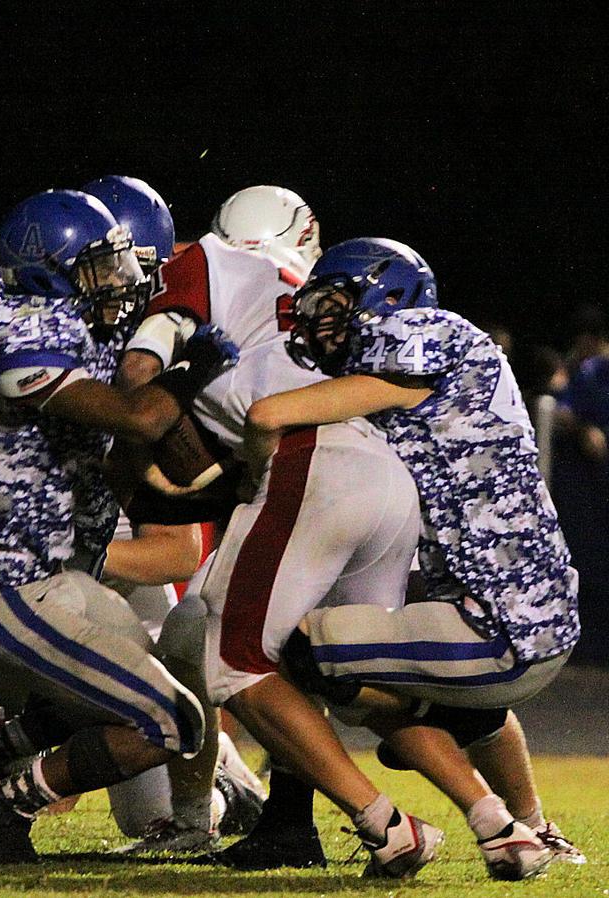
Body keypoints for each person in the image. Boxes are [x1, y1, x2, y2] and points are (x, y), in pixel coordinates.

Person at [0, 188, 238, 864]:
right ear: (43, 269)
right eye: (98, 267)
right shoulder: (20, 335)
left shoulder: (67, 313)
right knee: (174, 720)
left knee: (132, 683)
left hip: (50, 574)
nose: (116, 282)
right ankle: (7, 800)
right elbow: (142, 418)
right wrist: (191, 368)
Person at [243, 237, 580, 879]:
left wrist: (251, 470)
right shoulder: (438, 371)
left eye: (337, 301)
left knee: (299, 655)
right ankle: (522, 829)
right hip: (513, 616)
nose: (321, 318)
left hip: (496, 627)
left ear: (387, 297)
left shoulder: (421, 333)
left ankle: (480, 825)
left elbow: (267, 415)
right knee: (387, 688)